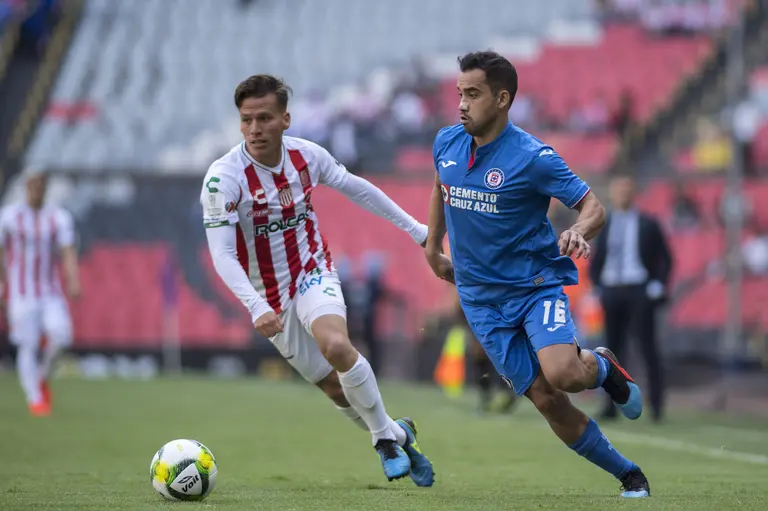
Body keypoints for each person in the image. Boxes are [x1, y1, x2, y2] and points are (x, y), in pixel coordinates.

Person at [425, 51, 650, 498]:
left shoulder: (533, 158)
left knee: (564, 374)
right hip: (480, 302)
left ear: (503, 98)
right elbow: (441, 184)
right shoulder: (447, 143)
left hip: (533, 288)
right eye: (459, 94)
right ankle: (630, 475)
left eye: (473, 94)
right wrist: (433, 248)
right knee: (546, 399)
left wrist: (579, 231)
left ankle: (602, 368)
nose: (462, 104)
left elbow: (593, 207)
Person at [201, 75, 433, 486]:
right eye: (246, 120)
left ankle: (382, 442)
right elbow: (221, 253)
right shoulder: (224, 179)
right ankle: (398, 434)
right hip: (268, 297)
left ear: (286, 119)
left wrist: (417, 230)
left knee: (336, 344)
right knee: (335, 389)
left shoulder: (307, 157)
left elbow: (358, 190)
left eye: (265, 118)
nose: (255, 129)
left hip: (312, 271)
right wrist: (257, 306)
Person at [589, 174, 673, 422]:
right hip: (612, 289)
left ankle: (656, 405)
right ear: (613, 194)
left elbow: (666, 258)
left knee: (647, 347)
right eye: (619, 190)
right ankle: (610, 405)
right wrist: (598, 286)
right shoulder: (605, 222)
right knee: (609, 351)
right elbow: (597, 258)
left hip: (639, 289)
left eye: (627, 189)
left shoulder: (648, 223)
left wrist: (657, 283)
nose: (623, 194)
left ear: (634, 192)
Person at [0, 172, 80, 416]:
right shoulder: (11, 216)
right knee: (28, 344)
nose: (37, 188)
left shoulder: (58, 217)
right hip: (21, 293)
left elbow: (67, 250)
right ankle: (35, 398)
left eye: (41, 184)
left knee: (62, 337)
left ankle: (40, 377)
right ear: (26, 186)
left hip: (49, 291)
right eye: (33, 184)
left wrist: (73, 279)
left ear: (46, 187)